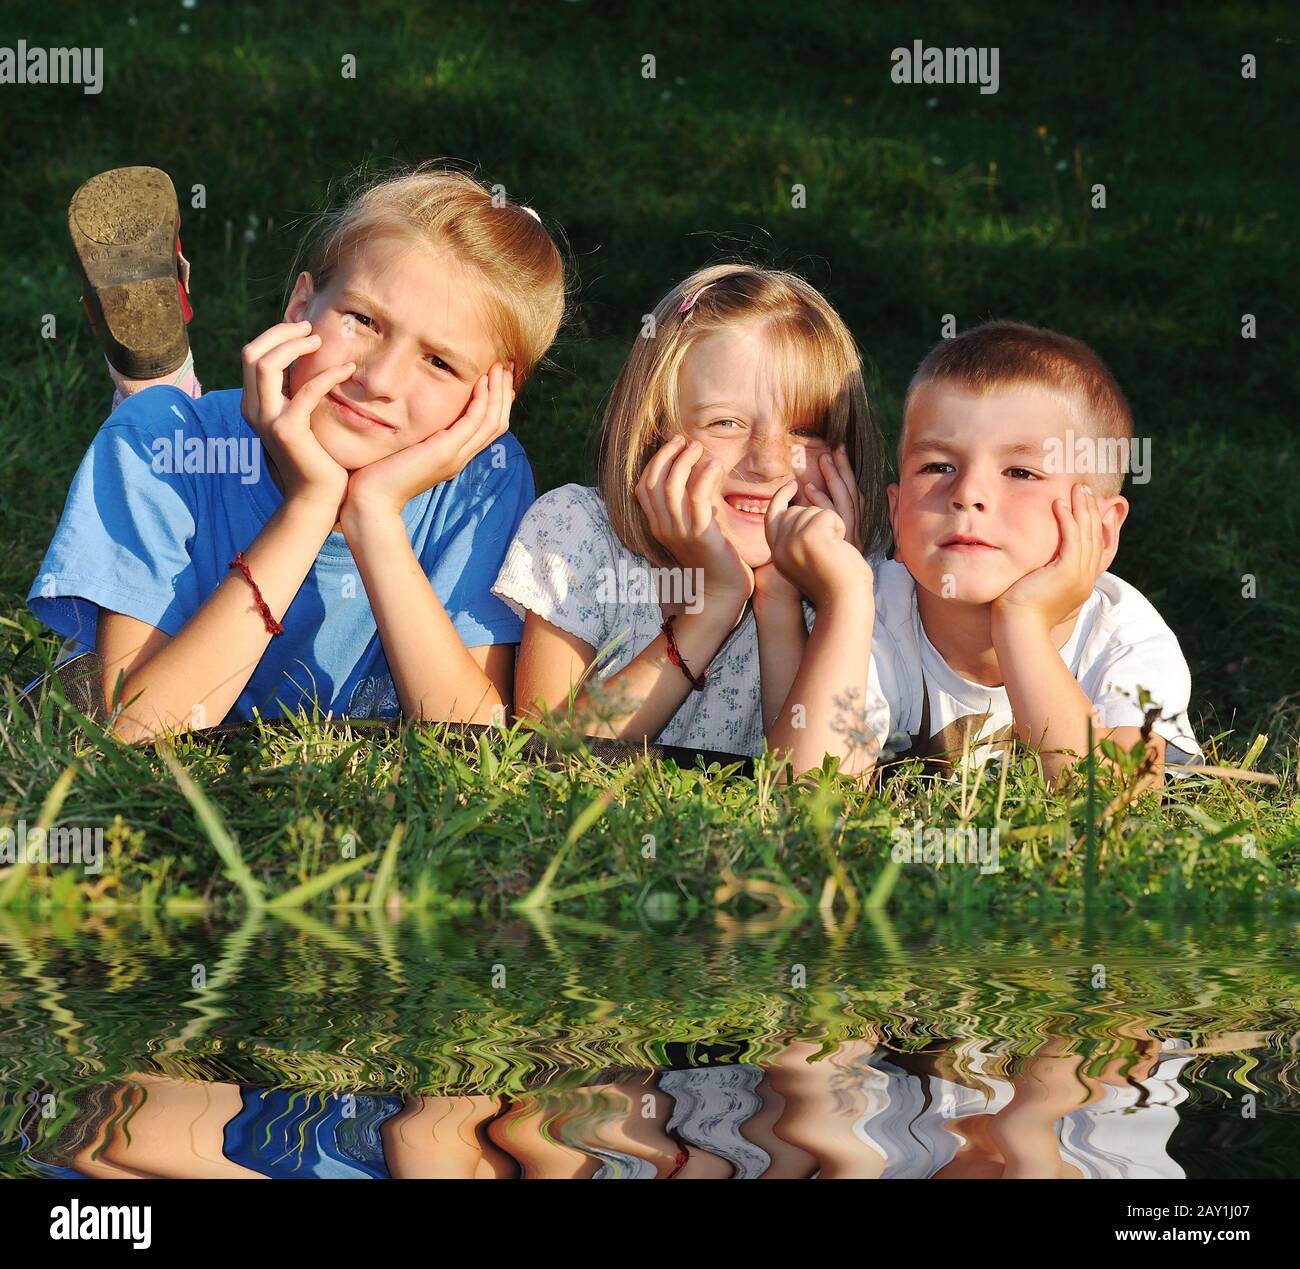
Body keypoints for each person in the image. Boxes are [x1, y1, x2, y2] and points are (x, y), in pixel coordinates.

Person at [28, 163, 565, 742]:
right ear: (300, 303)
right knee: (167, 435)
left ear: (494, 397)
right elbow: (135, 731)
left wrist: (374, 516)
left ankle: (170, 382)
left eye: (439, 361)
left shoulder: (485, 482)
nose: (379, 378)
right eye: (362, 320)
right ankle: (164, 392)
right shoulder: (158, 447)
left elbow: (471, 739)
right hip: (180, 484)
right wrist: (310, 505)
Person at [494, 263, 890, 775]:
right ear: (657, 425)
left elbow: (813, 787)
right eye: (726, 423)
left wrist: (795, 603)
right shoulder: (577, 532)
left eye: (805, 430)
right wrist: (714, 606)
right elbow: (544, 760)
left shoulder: (848, 570)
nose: (768, 462)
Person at [872, 319, 1202, 784]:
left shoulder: (1123, 640)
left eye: (1020, 472)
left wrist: (1021, 622)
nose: (967, 493)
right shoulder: (874, 613)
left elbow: (1114, 804)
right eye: (938, 465)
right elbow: (805, 790)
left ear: (1101, 533)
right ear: (896, 515)